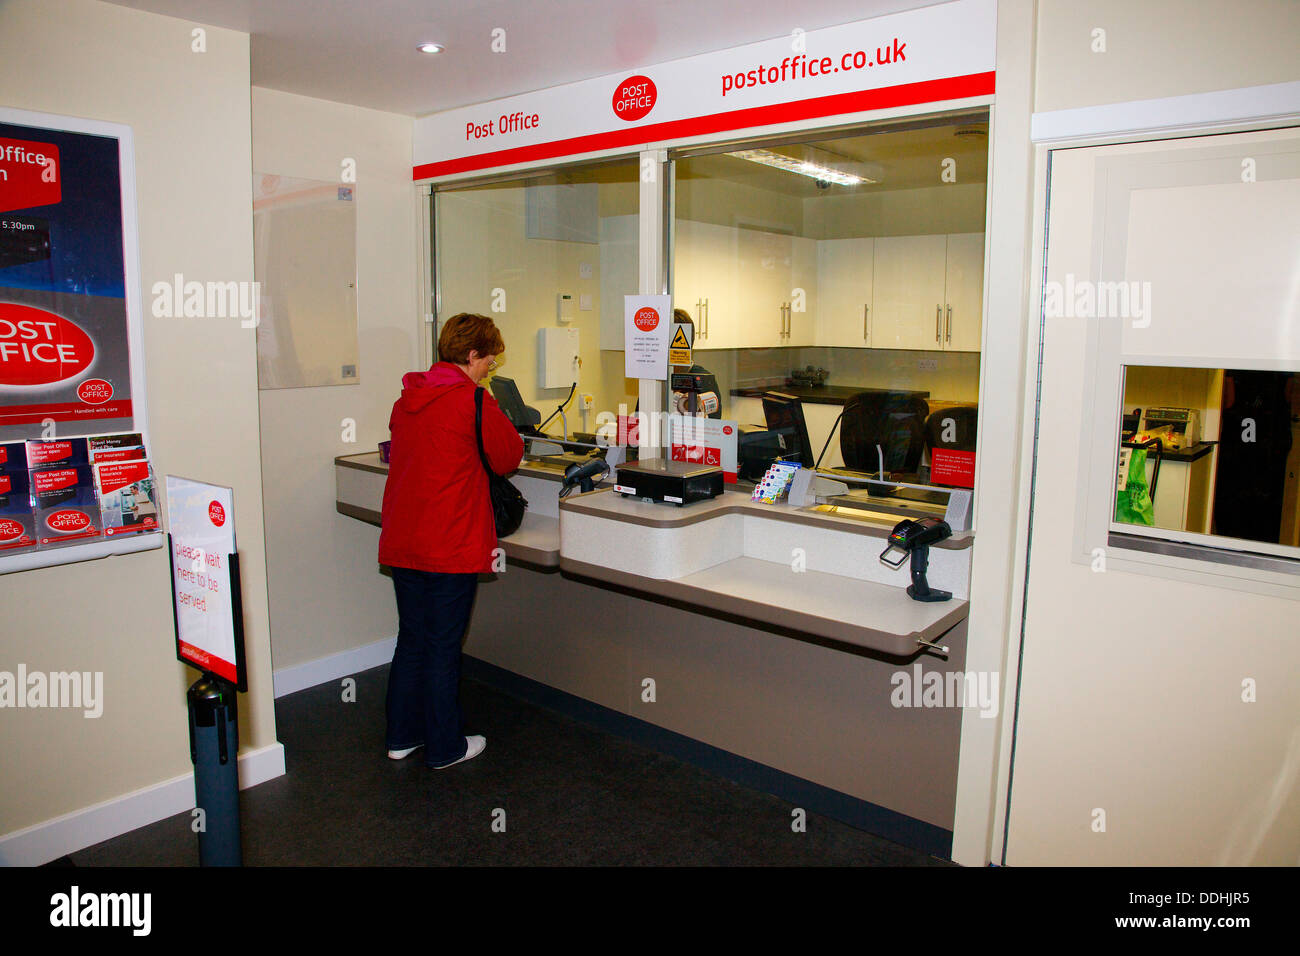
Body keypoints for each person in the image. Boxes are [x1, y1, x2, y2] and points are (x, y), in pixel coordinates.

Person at [378, 313, 524, 769]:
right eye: (489, 360)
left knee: (412, 640)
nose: (490, 368)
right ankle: (445, 747)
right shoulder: (473, 401)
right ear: (471, 355)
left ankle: (402, 736)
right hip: (449, 543)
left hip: (405, 539)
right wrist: (491, 404)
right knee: (443, 647)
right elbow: (507, 456)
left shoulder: (407, 400)